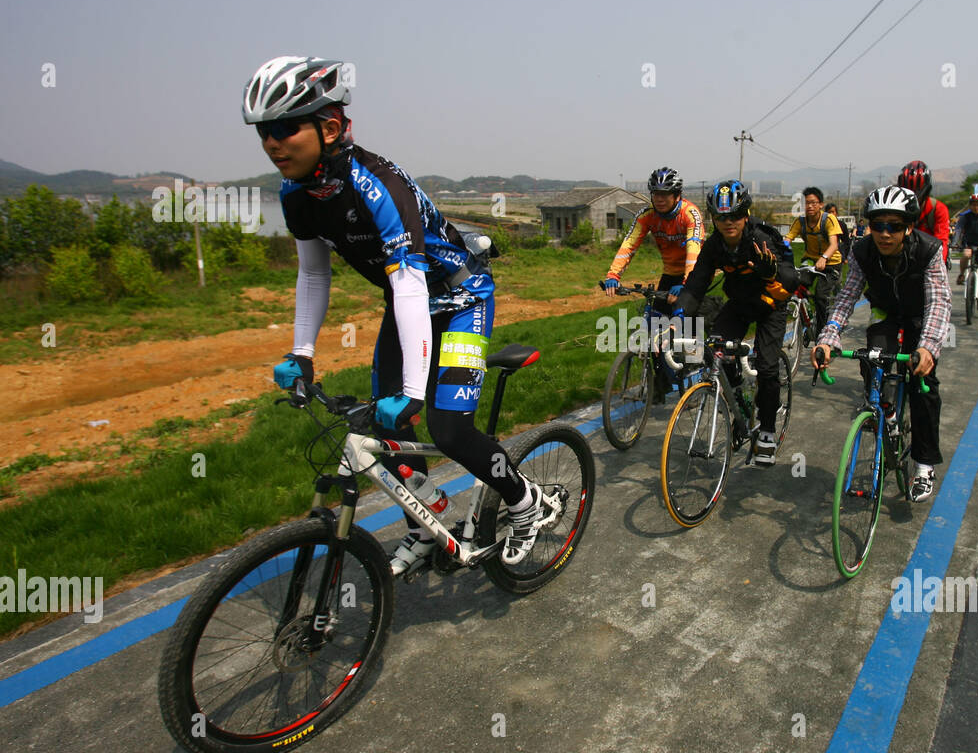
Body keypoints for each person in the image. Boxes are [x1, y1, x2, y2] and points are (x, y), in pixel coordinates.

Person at [245, 55, 546, 573]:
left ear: (331, 126)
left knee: (447, 429)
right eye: (264, 132)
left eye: (284, 128)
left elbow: (406, 282)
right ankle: (427, 524)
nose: (272, 143)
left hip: (461, 299)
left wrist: (410, 389)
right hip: (408, 307)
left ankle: (525, 502)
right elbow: (314, 275)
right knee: (378, 431)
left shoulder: (378, 183)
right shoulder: (297, 195)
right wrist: (301, 352)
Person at [812, 185, 951, 502]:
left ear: (910, 227)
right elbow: (847, 297)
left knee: (922, 383)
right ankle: (884, 413)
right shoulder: (861, 251)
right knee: (873, 358)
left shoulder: (929, 251)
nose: (885, 234)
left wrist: (927, 347)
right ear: (868, 226)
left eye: (895, 226)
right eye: (878, 226)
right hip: (885, 312)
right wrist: (828, 338)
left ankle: (925, 465)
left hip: (919, 317)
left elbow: (939, 304)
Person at [673, 180, 796, 466]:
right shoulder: (714, 245)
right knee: (717, 352)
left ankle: (766, 431)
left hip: (770, 306)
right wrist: (675, 322)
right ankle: (738, 394)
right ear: (713, 218)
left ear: (745, 214)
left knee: (766, 368)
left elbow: (790, 281)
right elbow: (695, 287)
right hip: (739, 304)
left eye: (735, 215)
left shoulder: (761, 238)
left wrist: (771, 273)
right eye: (721, 217)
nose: (728, 222)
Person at [602, 166, 705, 315]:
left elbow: (693, 249)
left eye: (665, 194)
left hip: (695, 273)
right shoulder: (647, 215)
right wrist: (613, 275)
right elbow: (629, 244)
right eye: (656, 193)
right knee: (657, 320)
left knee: (685, 320)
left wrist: (686, 283)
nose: (659, 199)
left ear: (677, 196)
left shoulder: (690, 214)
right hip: (670, 273)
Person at [786, 186, 843, 338]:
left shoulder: (829, 219)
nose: (809, 206)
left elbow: (834, 244)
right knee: (795, 285)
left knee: (821, 296)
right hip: (810, 260)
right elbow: (787, 239)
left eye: (813, 203)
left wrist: (824, 258)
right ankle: (806, 319)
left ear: (820, 204)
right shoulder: (801, 221)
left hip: (831, 262)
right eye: (806, 203)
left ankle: (822, 334)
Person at [898, 160, 950, 268]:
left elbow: (941, 242)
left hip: (929, 256)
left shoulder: (938, 209)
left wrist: (937, 266)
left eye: (916, 194)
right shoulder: (896, 209)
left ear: (925, 191)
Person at [952, 193, 978, 309]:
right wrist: (955, 242)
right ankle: (961, 274)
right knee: (966, 255)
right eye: (974, 205)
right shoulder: (965, 217)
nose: (976, 207)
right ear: (970, 206)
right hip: (969, 243)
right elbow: (959, 229)